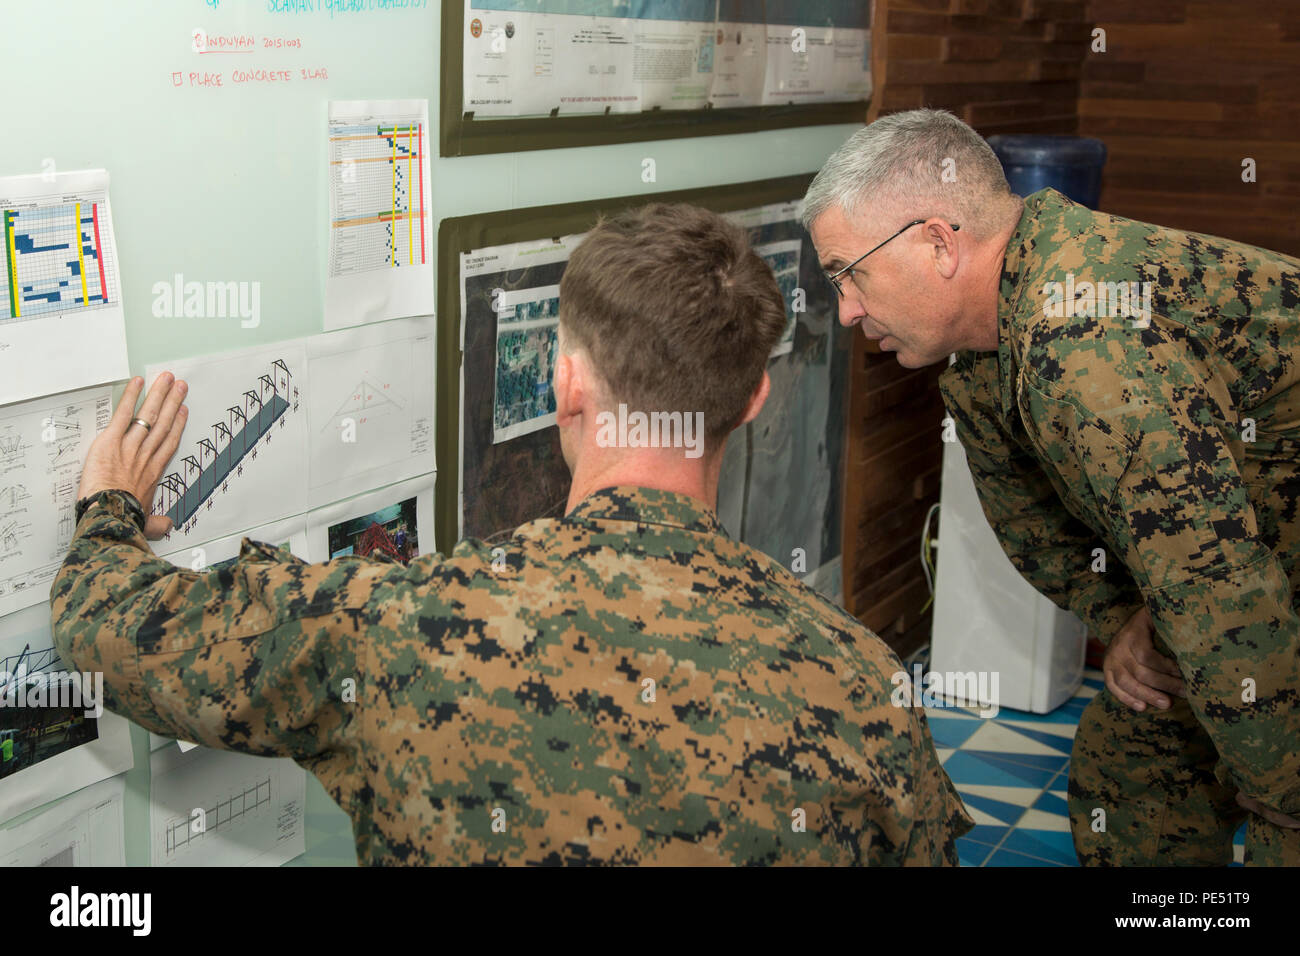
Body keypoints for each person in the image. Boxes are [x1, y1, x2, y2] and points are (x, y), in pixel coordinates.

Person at [51, 202, 971, 866]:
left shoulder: (406, 628)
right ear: (755, 402)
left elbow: (109, 625)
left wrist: (109, 509)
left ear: (565, 386)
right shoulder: (867, 688)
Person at [802, 107, 1300, 865]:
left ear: (937, 243)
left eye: (851, 274)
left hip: (1252, 577)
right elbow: (1036, 528)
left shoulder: (1084, 345)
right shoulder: (983, 355)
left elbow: (1221, 594)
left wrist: (1283, 784)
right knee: (1132, 764)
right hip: (1254, 551)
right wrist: (1127, 616)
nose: (848, 311)